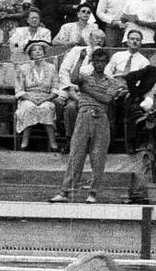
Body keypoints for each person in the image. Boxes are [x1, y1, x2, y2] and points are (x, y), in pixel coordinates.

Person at [51, 47, 120, 204]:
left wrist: (87, 90)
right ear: (93, 62)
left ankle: (93, 192)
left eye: (103, 61)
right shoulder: (84, 76)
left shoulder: (112, 82)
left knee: (98, 156)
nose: (99, 64)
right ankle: (65, 191)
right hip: (84, 115)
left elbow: (107, 99)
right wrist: (81, 59)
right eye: (97, 61)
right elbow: (73, 78)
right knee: (76, 153)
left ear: (107, 63)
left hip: (101, 117)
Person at [14, 40, 61, 151]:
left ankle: (53, 142)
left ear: (44, 53)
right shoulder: (22, 68)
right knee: (29, 107)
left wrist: (46, 98)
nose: (38, 52)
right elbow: (19, 90)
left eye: (40, 49)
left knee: (47, 108)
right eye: (34, 50)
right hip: (27, 97)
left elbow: (55, 89)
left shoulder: (51, 68)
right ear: (30, 54)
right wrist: (31, 99)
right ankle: (25, 142)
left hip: (46, 97)